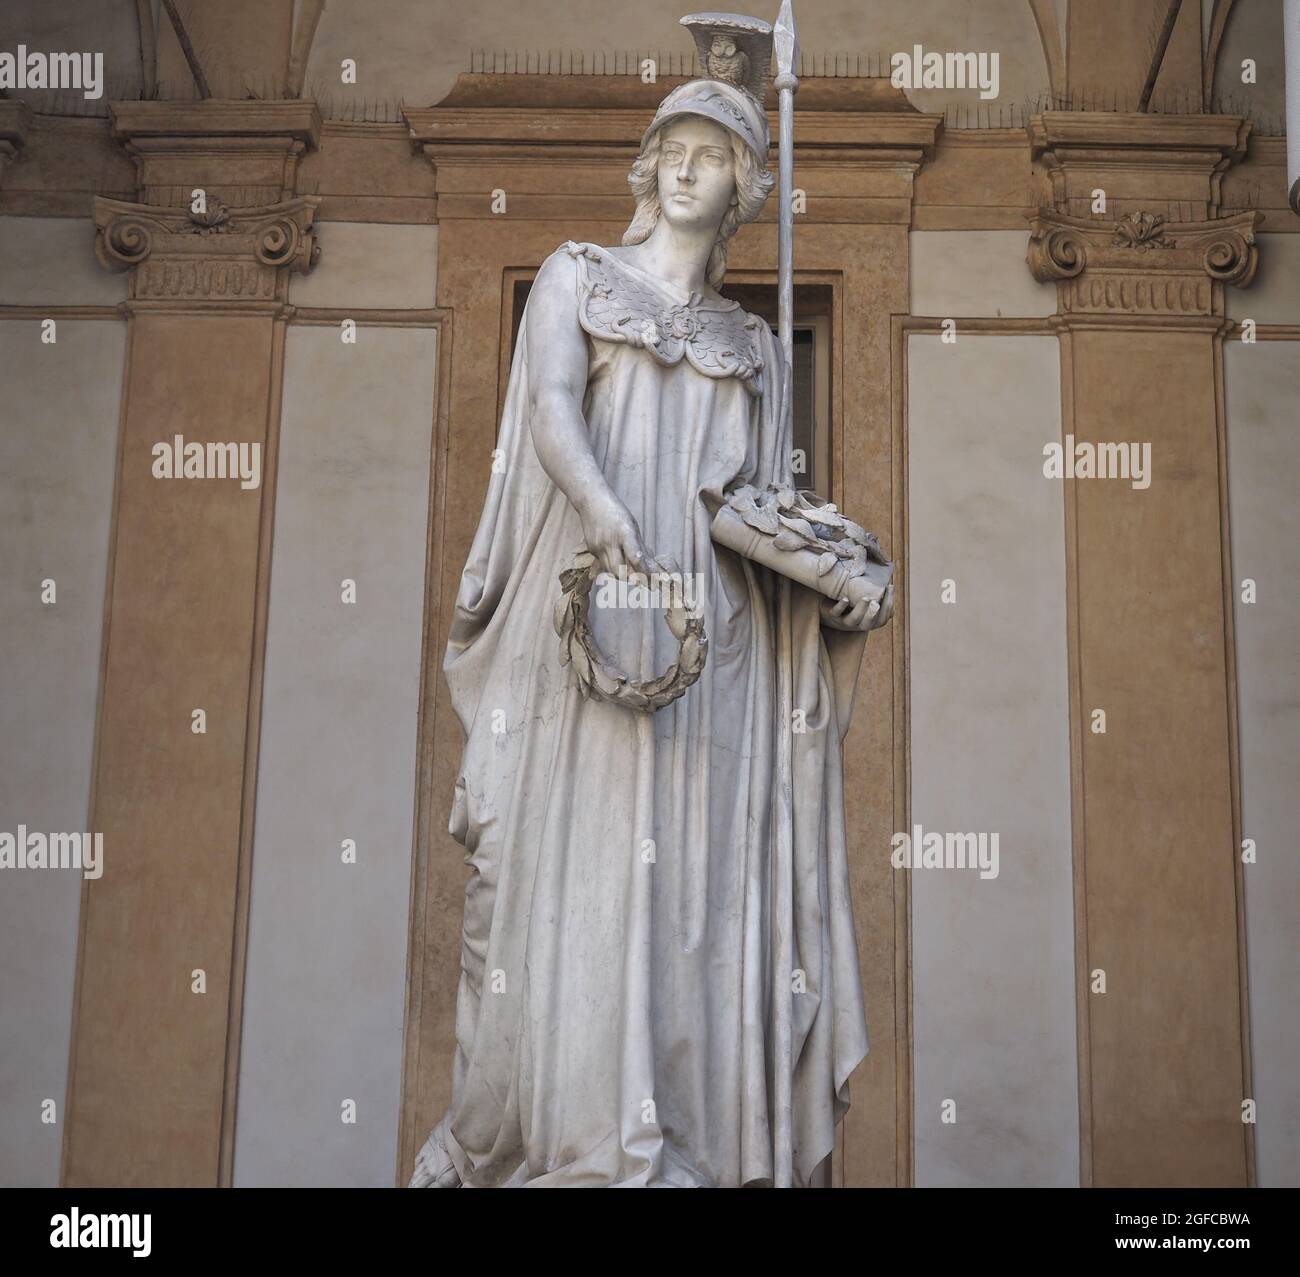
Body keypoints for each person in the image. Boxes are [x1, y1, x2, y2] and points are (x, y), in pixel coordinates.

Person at [411, 52, 887, 1188]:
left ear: (743, 189)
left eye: (714, 156)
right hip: (588, 615)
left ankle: (687, 1136)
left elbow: (759, 505)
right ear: (647, 168)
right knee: (568, 872)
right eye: (673, 151)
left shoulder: (756, 343)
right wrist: (601, 504)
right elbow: (551, 405)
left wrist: (832, 576)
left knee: (696, 884)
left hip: (709, 643)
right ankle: (573, 1137)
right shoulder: (576, 277)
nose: (687, 169)